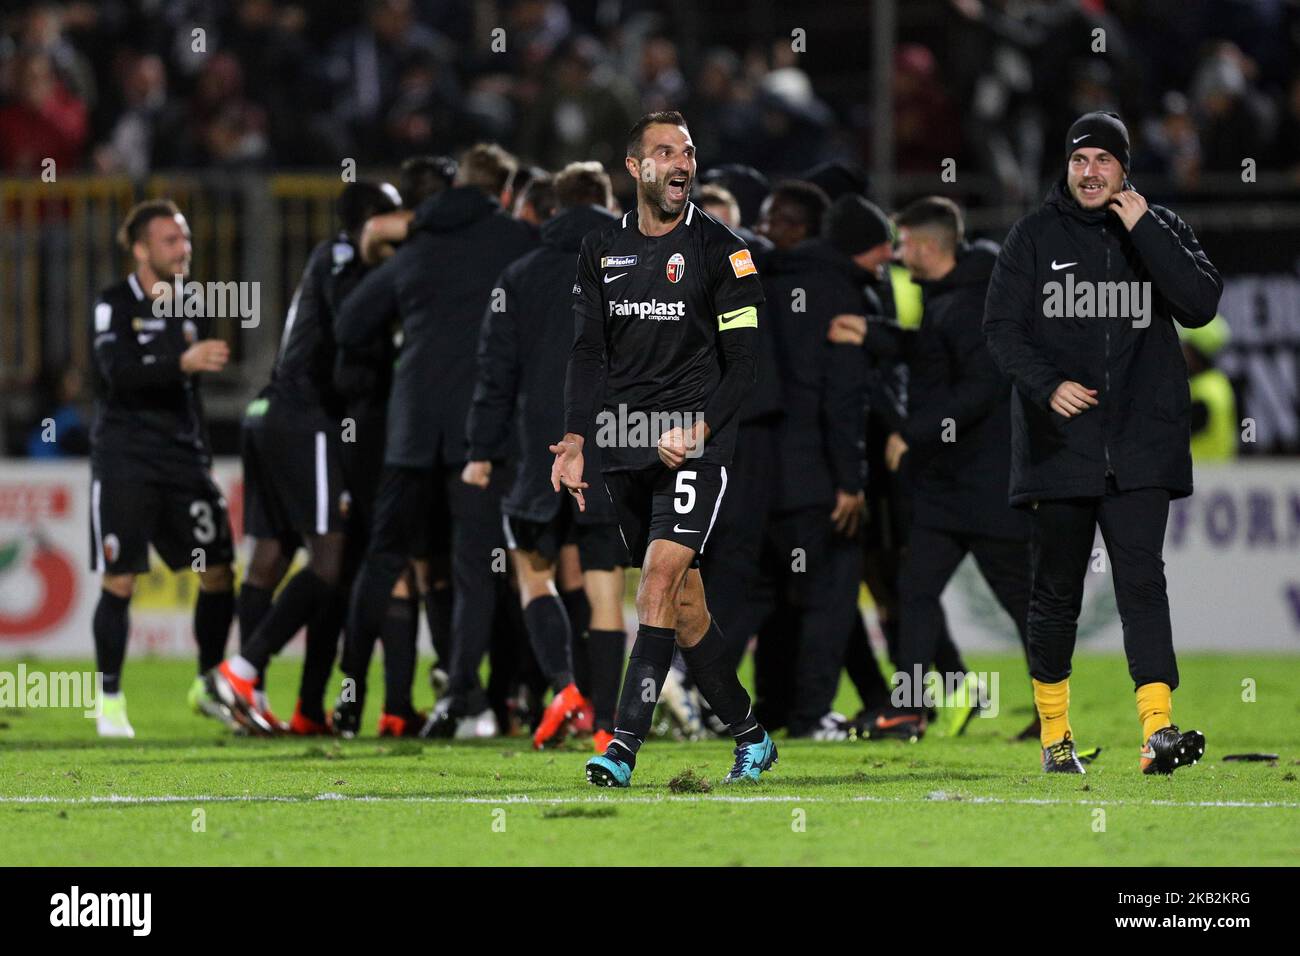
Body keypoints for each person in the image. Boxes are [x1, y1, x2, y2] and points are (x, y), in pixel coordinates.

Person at [983, 111, 1221, 774]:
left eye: (1103, 161)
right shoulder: (1034, 235)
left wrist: (1144, 227)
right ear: (1066, 168)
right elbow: (1001, 329)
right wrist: (1047, 383)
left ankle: (1157, 733)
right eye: (1079, 160)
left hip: (1142, 441)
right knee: (1057, 590)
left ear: (1123, 169)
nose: (1090, 173)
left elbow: (1201, 304)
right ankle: (1056, 738)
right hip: (1061, 443)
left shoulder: (1159, 227)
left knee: (1142, 581)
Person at [551, 111, 774, 786]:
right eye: (666, 152)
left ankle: (621, 747)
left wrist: (700, 430)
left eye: (689, 151)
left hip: (696, 448)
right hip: (626, 449)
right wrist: (574, 440)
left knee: (652, 584)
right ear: (635, 168)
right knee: (683, 609)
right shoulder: (601, 250)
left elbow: (745, 364)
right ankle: (752, 734)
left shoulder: (726, 251)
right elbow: (588, 353)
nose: (683, 163)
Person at [335, 143, 536, 739]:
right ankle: (464, 700)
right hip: (480, 434)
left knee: (381, 563)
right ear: (501, 193)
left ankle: (350, 698)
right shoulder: (516, 244)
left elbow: (350, 325)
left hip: (410, 431)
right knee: (475, 570)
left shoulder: (418, 244)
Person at [209, 180, 400, 735]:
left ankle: (262, 700)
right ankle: (243, 669)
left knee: (268, 557)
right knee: (329, 559)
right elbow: (348, 327)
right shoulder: (343, 255)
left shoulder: (329, 256)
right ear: (371, 220)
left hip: (268, 410)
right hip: (304, 415)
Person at [465, 161, 627, 753]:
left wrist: (481, 450)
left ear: (552, 208)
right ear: (609, 201)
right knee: (606, 586)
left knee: (532, 571)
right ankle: (610, 725)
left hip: (541, 448)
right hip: (613, 444)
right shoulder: (632, 268)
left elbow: (495, 374)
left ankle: (563, 688)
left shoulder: (521, 274)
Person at [864, 197, 1032, 742]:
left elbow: (980, 389)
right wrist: (872, 334)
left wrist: (911, 435)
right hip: (946, 485)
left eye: (904, 242)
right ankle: (909, 709)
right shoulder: (948, 297)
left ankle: (1057, 714)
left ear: (929, 247)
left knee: (1022, 603)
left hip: (985, 483)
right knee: (915, 589)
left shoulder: (978, 301)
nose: (896, 252)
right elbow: (932, 356)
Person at [87, 199, 235, 737]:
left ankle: (208, 683)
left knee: (217, 569)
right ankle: (108, 700)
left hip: (182, 461)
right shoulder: (112, 304)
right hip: (126, 459)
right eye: (171, 240)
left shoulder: (193, 304)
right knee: (121, 577)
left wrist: (203, 457)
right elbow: (117, 373)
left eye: (186, 238)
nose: (183, 249)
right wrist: (179, 363)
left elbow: (189, 391)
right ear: (141, 248)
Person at [753, 184, 868, 740]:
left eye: (772, 218)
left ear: (794, 227)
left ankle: (767, 707)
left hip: (756, 468)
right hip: (816, 471)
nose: (764, 226)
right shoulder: (836, 287)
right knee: (829, 596)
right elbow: (842, 396)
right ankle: (809, 714)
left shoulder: (753, 282)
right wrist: (851, 478)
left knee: (772, 595)